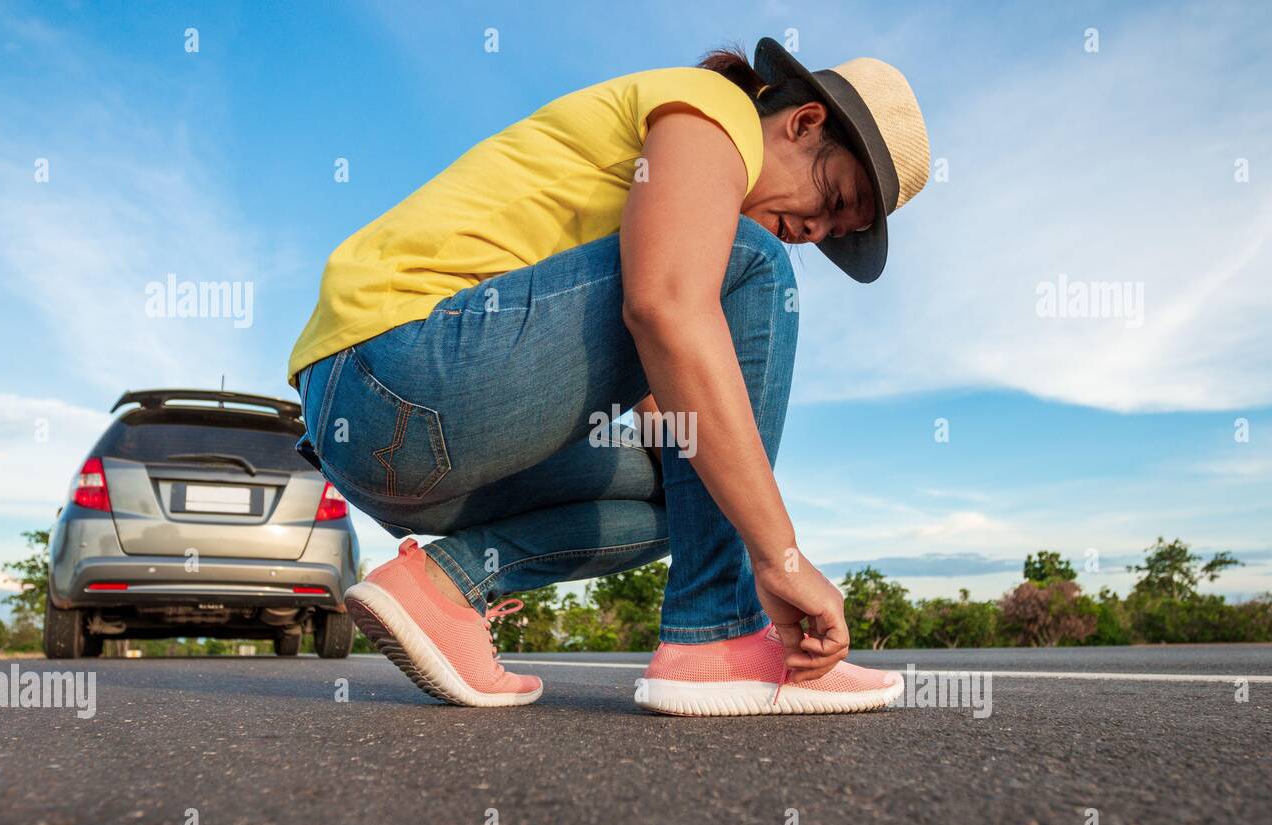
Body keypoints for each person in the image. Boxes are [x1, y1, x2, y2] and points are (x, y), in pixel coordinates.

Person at [287, 38, 930, 715]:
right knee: (754, 263)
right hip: (395, 368)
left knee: (689, 485)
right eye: (832, 198)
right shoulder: (712, 112)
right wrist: (781, 559)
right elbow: (666, 310)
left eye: (833, 232)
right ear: (802, 123)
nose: (814, 232)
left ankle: (446, 585)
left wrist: (733, 500)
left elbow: (672, 390)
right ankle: (717, 634)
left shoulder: (673, 216)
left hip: (387, 441)